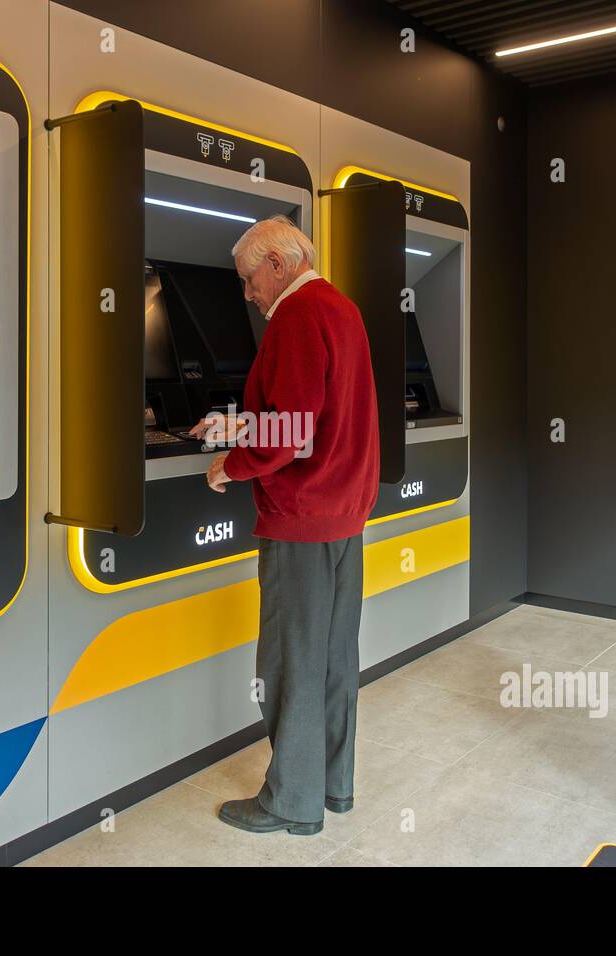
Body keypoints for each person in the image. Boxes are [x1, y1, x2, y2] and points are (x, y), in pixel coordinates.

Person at [187, 216, 379, 836]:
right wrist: (238, 424)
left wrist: (230, 464)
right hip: (344, 515)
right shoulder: (341, 309)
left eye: (248, 279)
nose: (246, 293)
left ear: (278, 263)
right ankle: (332, 785)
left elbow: (292, 435)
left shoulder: (296, 317)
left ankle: (289, 803)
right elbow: (310, 418)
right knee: (332, 658)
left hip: (301, 520)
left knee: (291, 661)